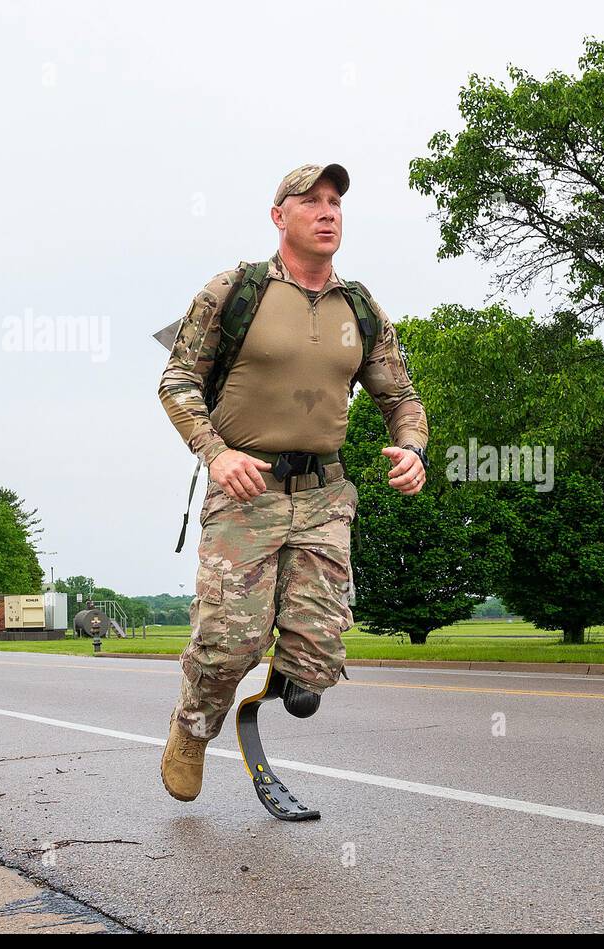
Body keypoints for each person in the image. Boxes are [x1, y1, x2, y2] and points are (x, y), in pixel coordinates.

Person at [157, 162, 429, 802]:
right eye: (311, 201)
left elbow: (403, 397)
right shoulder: (235, 290)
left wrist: (413, 448)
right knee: (230, 645)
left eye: (336, 201)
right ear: (280, 216)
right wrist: (215, 454)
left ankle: (294, 672)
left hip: (324, 497)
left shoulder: (360, 307)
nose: (328, 211)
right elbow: (177, 383)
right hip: (245, 490)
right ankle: (192, 728)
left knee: (316, 665)